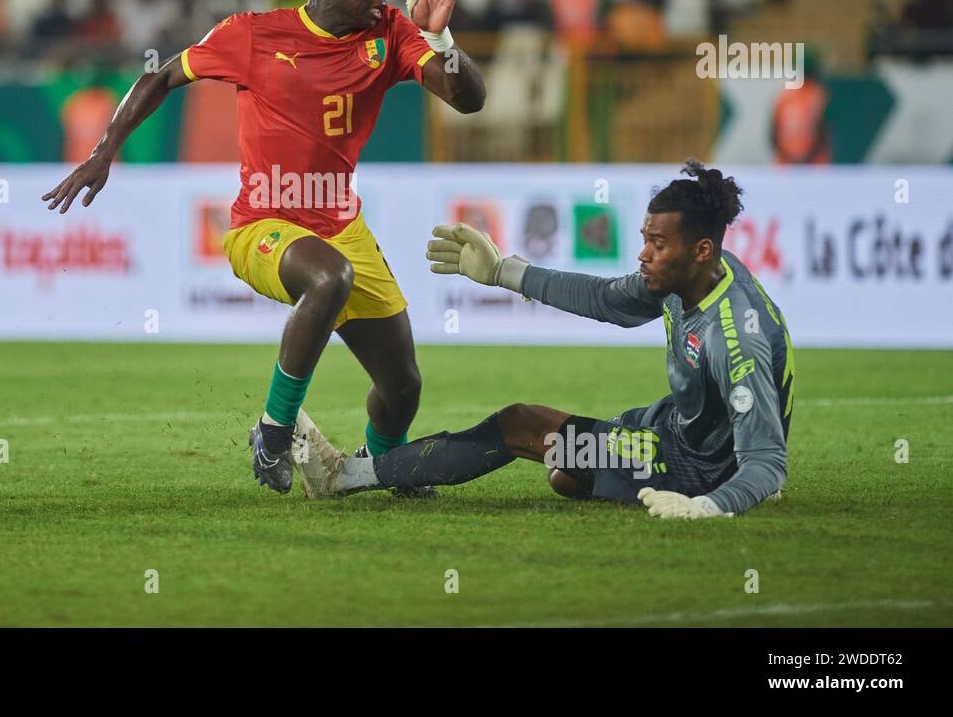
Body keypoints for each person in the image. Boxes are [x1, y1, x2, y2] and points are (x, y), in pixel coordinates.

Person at [43, 0, 486, 495]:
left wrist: (441, 39)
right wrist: (104, 153)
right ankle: (274, 433)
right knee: (329, 279)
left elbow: (468, 101)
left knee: (403, 387)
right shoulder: (252, 35)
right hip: (263, 225)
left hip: (343, 225)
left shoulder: (393, 33)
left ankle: (380, 467)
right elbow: (159, 77)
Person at [296, 162, 794, 519]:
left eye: (657, 244)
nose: (643, 255)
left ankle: (343, 476)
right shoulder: (697, 274)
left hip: (693, 466)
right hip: (671, 430)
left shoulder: (735, 337)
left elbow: (768, 462)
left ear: (701, 249)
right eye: (645, 238)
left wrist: (710, 502)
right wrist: (503, 272)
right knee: (566, 473)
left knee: (522, 425)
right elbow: (607, 299)